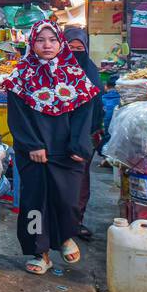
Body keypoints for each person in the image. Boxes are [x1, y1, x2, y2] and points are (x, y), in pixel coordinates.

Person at [5, 21, 99, 274]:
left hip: (67, 149)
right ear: (32, 43)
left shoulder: (75, 75)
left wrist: (79, 145)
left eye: (52, 40)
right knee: (35, 204)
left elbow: (84, 114)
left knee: (67, 199)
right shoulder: (21, 75)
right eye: (40, 40)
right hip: (34, 152)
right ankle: (40, 253)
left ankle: (65, 237)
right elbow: (18, 116)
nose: (47, 45)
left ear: (61, 43)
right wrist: (31, 145)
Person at [63, 26, 103, 240]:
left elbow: (97, 107)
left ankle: (75, 222)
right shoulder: (55, 71)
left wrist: (86, 138)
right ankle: (58, 223)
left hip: (86, 137)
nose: (76, 52)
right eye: (70, 47)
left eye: (80, 48)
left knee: (80, 181)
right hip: (59, 136)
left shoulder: (91, 70)